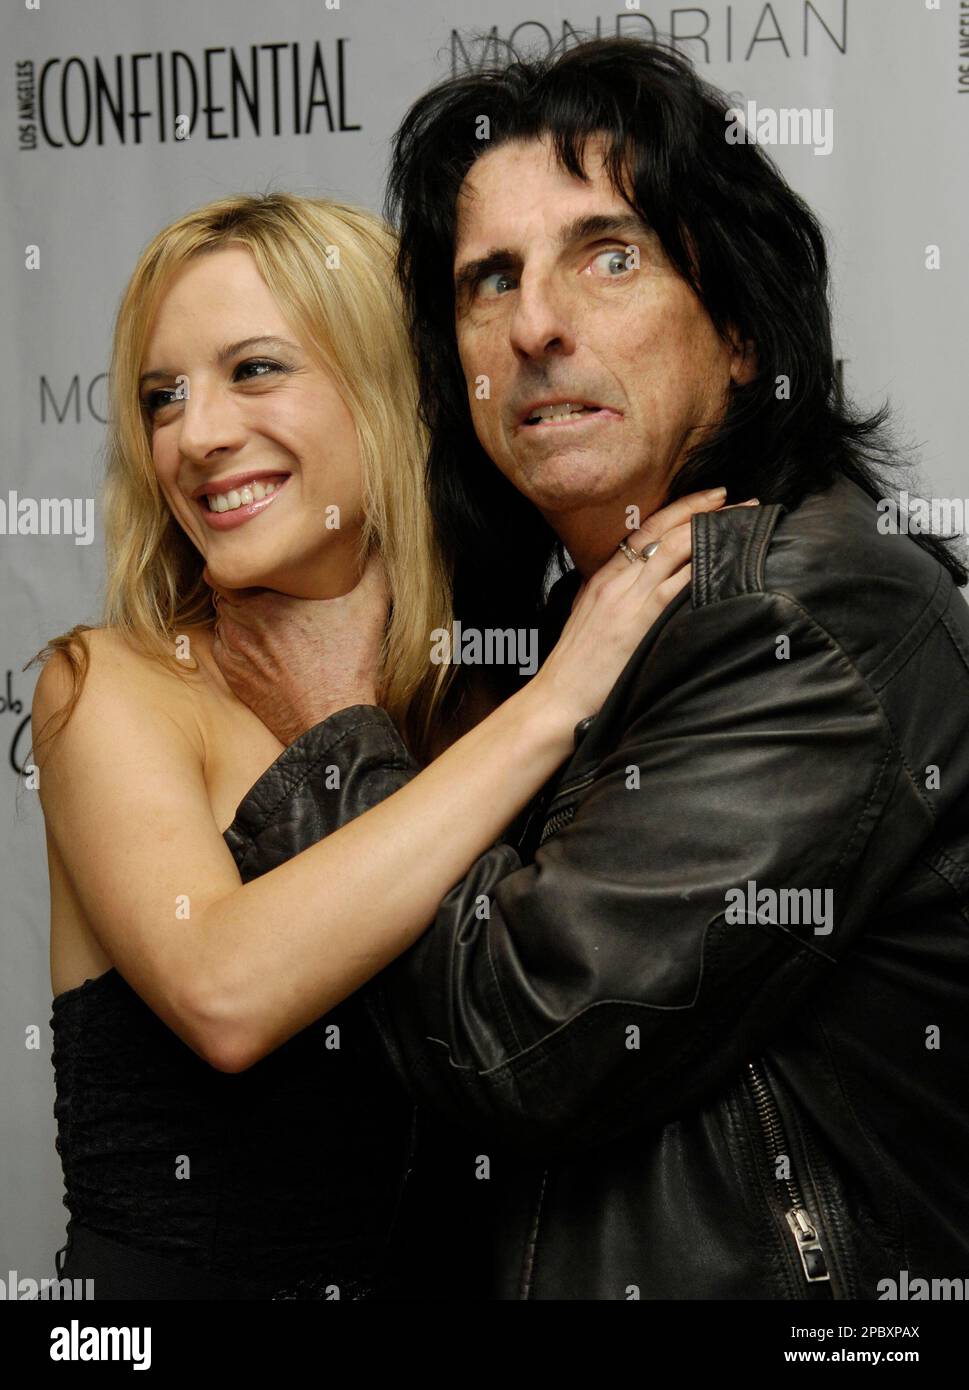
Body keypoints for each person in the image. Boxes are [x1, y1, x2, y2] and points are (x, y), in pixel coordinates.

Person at [208, 39, 969, 1300]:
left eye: (608, 256)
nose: (538, 324)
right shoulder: (576, 628)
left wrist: (335, 742)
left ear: (737, 331)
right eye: (487, 282)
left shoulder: (806, 611)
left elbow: (530, 1036)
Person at [30, 190, 721, 1299]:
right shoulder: (109, 687)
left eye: (255, 371)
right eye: (164, 396)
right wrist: (557, 703)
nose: (197, 434)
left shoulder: (481, 695)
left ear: (387, 395)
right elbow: (225, 992)